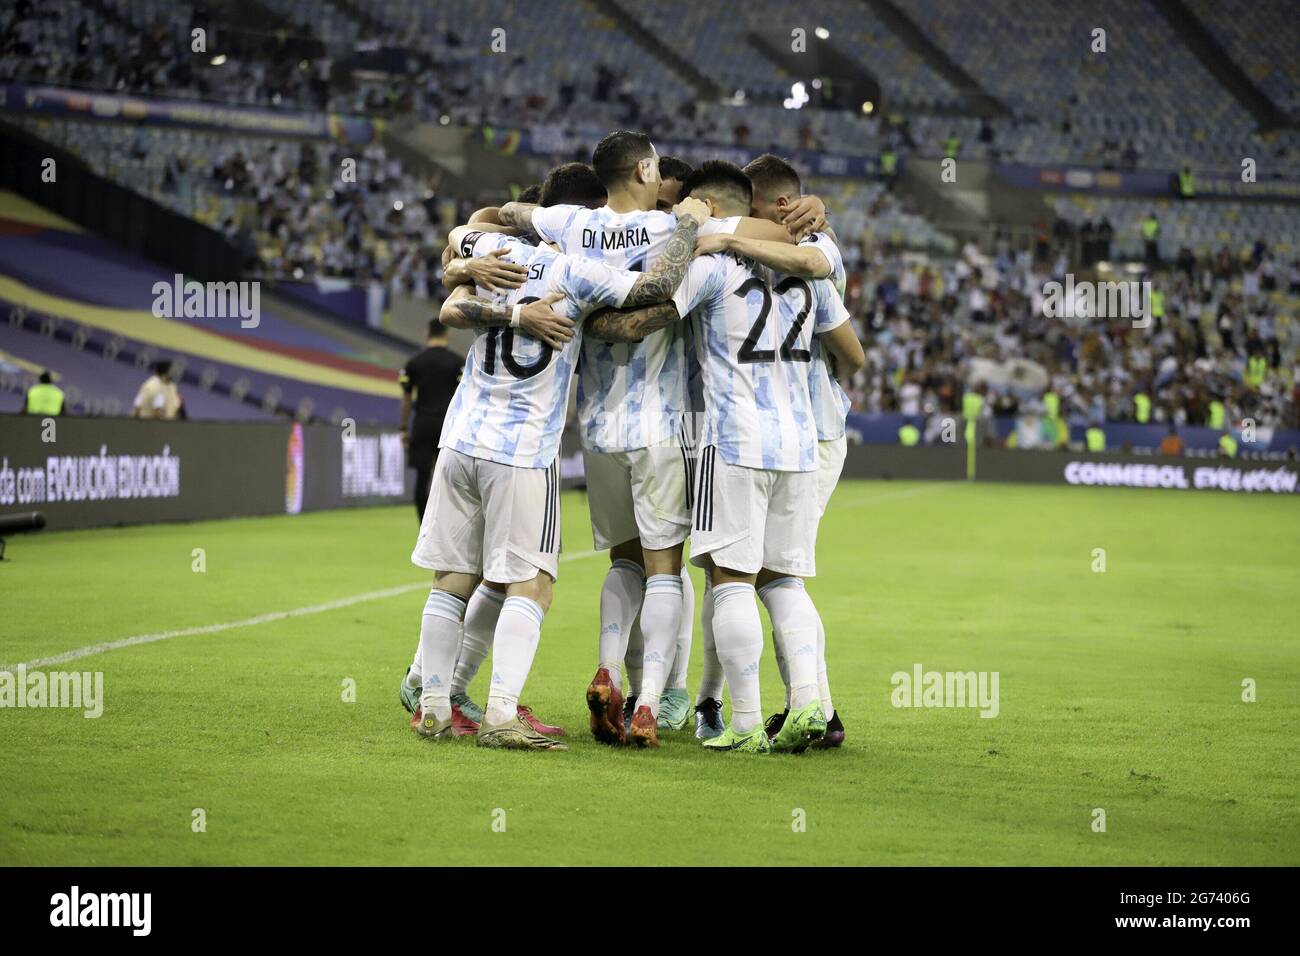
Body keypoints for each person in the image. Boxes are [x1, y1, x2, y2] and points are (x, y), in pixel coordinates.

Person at [491, 132, 817, 747]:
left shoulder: (570, 224)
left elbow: (510, 213)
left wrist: (472, 235)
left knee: (622, 560)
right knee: (670, 571)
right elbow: (779, 238)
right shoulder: (672, 230)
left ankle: (610, 669)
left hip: (597, 428)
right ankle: (648, 704)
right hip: (664, 427)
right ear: (645, 168)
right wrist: (798, 215)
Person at [409, 181, 709, 752]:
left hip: (460, 440)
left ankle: (431, 710)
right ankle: (500, 714)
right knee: (534, 583)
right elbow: (657, 285)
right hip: (522, 450)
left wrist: (474, 271)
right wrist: (690, 227)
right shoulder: (574, 271)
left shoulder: (493, 255)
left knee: (451, 580)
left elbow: (451, 291)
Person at [610, 161, 864, 754]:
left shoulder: (712, 266)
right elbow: (849, 351)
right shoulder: (816, 263)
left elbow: (648, 310)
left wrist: (588, 318)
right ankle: (809, 705)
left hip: (734, 439)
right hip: (801, 440)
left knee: (730, 581)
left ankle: (744, 723)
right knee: (785, 582)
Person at [399, 319, 462, 522]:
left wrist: (403, 428)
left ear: (427, 333)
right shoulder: (458, 363)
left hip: (422, 424)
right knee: (450, 479)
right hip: (448, 426)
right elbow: (463, 397)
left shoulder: (414, 363)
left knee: (422, 479)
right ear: (447, 334)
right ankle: (447, 526)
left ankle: (423, 529)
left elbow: (407, 398)